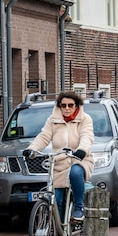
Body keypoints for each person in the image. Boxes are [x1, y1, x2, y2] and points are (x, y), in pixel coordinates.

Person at [22, 91, 94, 223]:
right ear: (60, 106)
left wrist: (82, 150)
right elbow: (44, 137)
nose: (66, 108)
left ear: (77, 106)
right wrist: (32, 149)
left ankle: (79, 207)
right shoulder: (52, 120)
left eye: (70, 105)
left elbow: (87, 136)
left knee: (76, 172)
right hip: (59, 163)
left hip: (79, 159)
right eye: (63, 105)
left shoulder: (85, 119)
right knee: (57, 201)